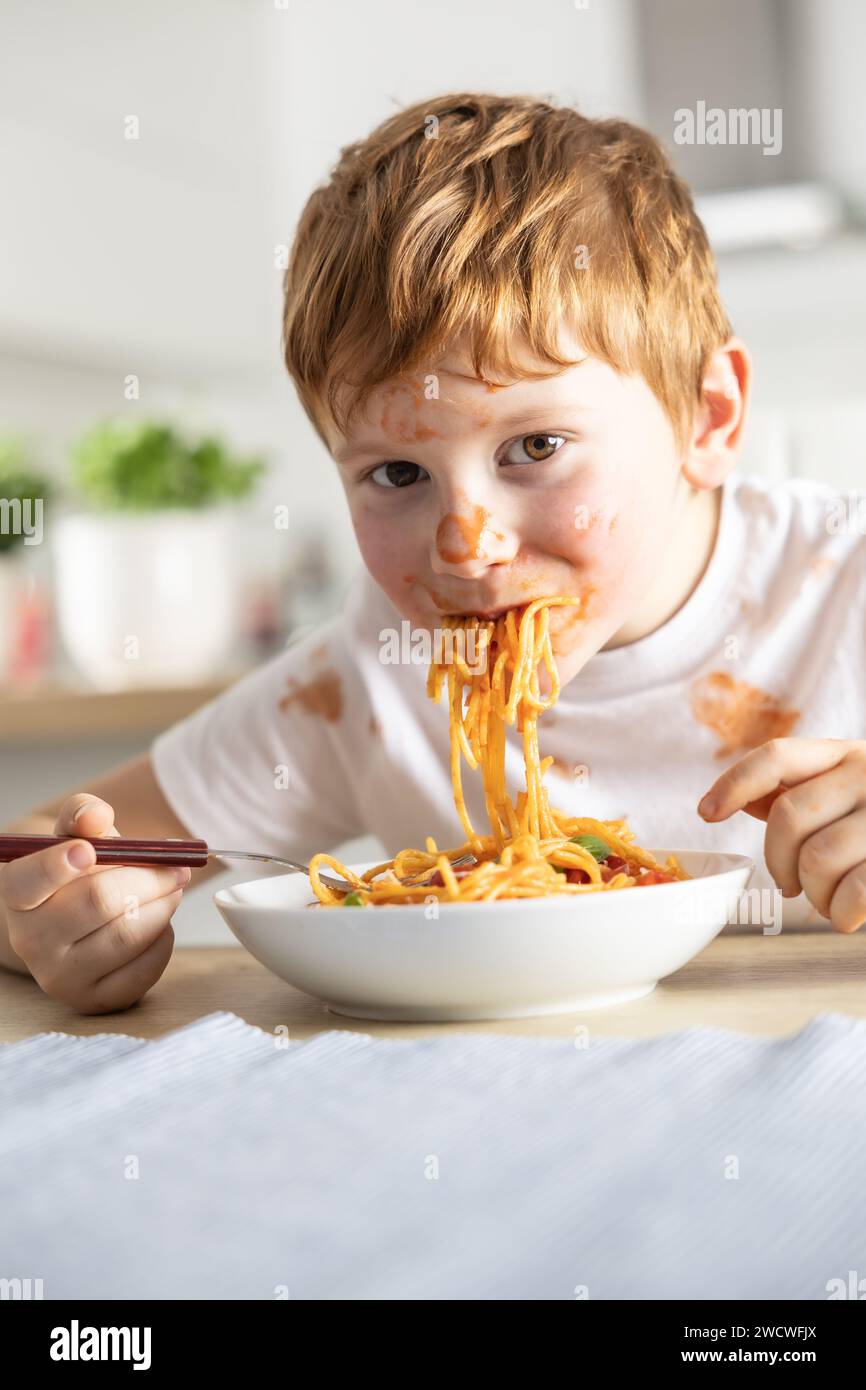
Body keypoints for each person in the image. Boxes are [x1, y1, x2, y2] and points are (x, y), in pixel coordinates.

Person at [3, 92, 865, 1013]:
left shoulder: (842, 585)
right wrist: (50, 919)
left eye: (535, 448)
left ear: (710, 416)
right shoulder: (372, 676)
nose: (468, 545)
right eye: (398, 474)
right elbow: (32, 856)